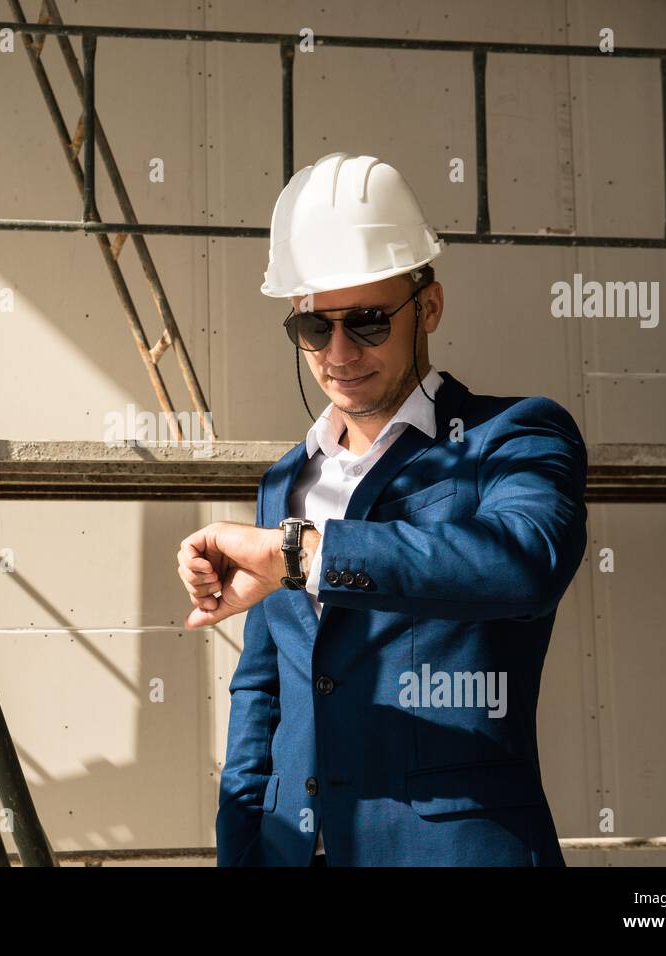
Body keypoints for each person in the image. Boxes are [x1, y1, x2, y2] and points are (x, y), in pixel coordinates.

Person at [176, 152, 588, 866]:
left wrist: (301, 555)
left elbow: (524, 564)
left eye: (366, 322)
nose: (338, 352)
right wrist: (241, 847)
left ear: (427, 306)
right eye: (313, 327)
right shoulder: (284, 482)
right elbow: (264, 692)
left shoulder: (512, 435)